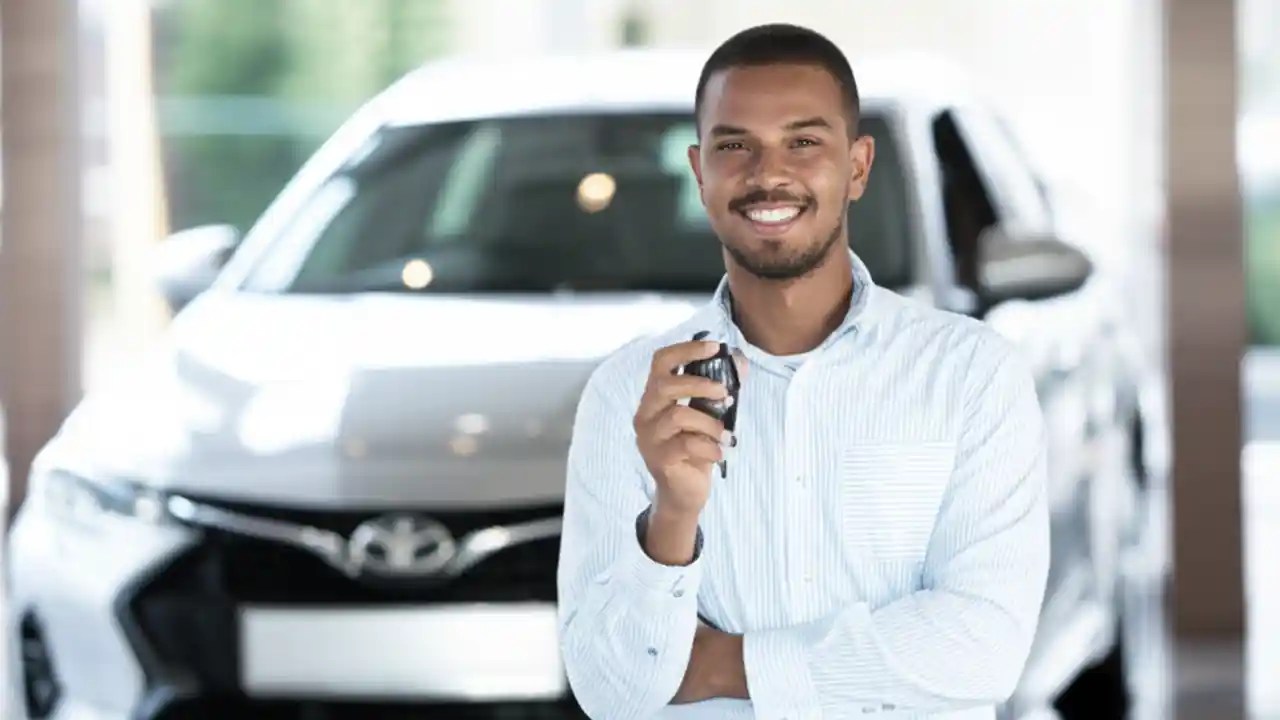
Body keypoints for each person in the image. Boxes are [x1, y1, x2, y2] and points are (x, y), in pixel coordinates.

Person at [556, 22, 1049, 720]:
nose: (768, 175)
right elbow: (612, 691)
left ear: (857, 166)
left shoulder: (971, 374)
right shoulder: (630, 393)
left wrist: (724, 662)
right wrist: (673, 514)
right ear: (701, 172)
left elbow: (984, 646)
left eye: (804, 141)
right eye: (735, 146)